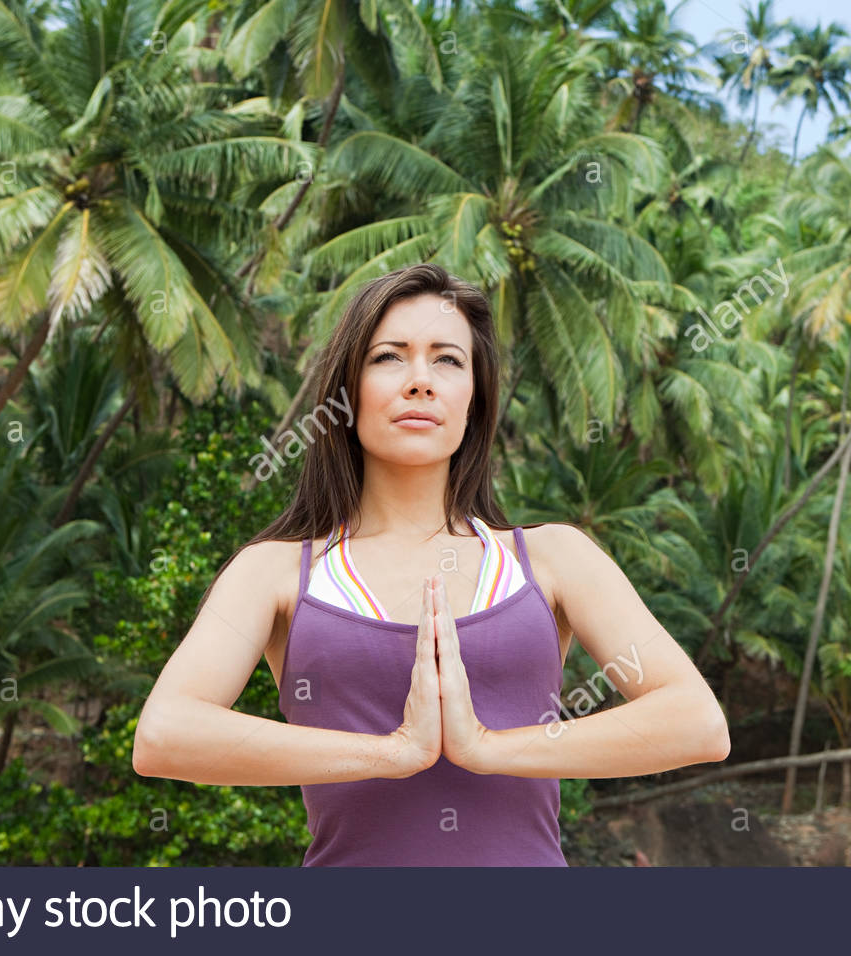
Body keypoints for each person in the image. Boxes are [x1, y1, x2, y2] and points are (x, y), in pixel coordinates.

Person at [132, 263, 730, 865]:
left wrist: (485, 747)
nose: (420, 380)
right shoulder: (277, 573)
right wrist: (394, 753)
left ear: (474, 396)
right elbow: (164, 735)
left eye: (447, 360)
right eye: (389, 356)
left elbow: (696, 723)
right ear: (347, 389)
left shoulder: (552, 558)